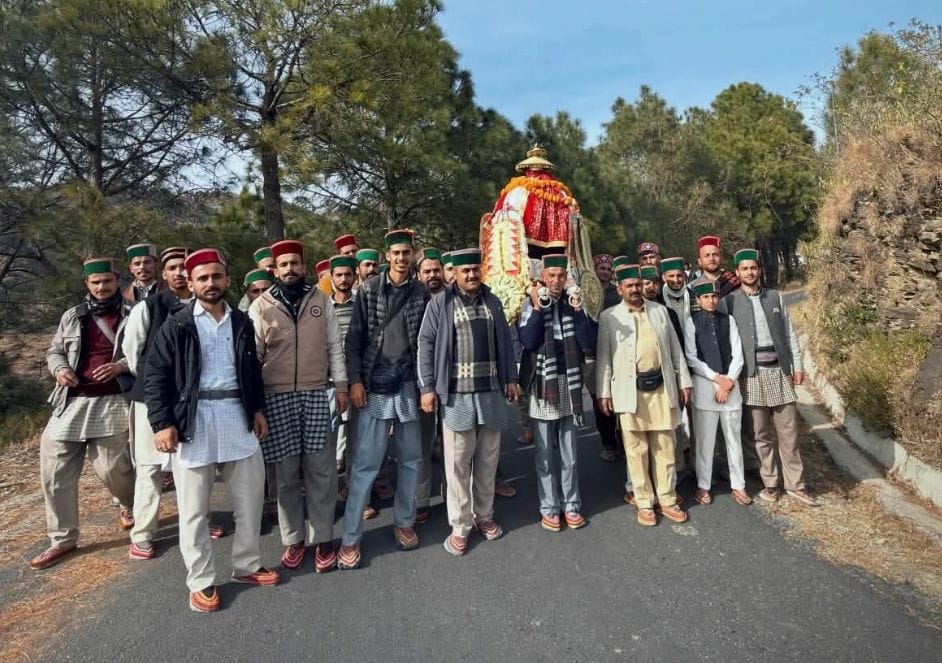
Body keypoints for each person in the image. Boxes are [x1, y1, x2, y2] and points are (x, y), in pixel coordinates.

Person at [145, 248, 279, 612]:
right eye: (202, 278)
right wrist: (162, 422)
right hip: (194, 421)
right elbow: (155, 376)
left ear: (227, 279)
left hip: (237, 417)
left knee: (250, 499)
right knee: (193, 510)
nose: (210, 283)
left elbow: (251, 371)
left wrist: (257, 409)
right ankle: (202, 580)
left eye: (216, 276)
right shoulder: (177, 323)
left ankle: (247, 565)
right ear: (190, 282)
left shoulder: (240, 320)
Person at [30, 258, 136, 570]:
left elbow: (149, 352)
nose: (102, 287)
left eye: (107, 281)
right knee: (54, 474)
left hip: (114, 401)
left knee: (112, 471)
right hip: (71, 402)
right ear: (87, 285)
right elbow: (55, 351)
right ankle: (62, 539)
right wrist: (60, 369)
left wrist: (121, 366)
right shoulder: (73, 316)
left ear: (117, 281)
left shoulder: (134, 314)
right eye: (95, 283)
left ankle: (131, 505)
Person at [249, 240, 347, 574]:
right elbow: (253, 357)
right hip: (276, 398)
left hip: (316, 393)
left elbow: (334, 345)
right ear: (274, 270)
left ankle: (322, 540)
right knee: (286, 475)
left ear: (303, 267)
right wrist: (256, 403)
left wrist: (342, 385)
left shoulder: (321, 300)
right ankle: (293, 541)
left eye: (295, 263)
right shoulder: (261, 306)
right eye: (283, 264)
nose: (289, 269)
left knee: (321, 470)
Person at [417, 248, 519, 555]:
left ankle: (484, 517)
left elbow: (506, 341)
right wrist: (427, 388)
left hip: (490, 392)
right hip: (456, 395)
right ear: (454, 274)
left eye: (475, 269)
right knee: (458, 463)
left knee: (487, 460)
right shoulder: (440, 303)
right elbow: (425, 343)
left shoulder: (493, 302)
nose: (471, 275)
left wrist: (511, 378)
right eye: (465, 271)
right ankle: (460, 525)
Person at [338, 229, 430, 569]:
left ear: (413, 255)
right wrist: (356, 381)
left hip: (407, 382)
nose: (402, 259)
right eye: (396, 253)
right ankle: (350, 537)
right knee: (365, 465)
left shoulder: (421, 293)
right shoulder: (368, 290)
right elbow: (355, 340)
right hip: (374, 385)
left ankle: (404, 522)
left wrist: (426, 385)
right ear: (387, 256)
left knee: (411, 459)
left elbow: (426, 342)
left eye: (407, 253)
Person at [596, 264, 692, 527]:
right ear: (620, 289)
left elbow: (675, 351)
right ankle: (644, 501)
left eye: (638, 285)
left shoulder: (661, 312)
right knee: (636, 450)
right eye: (630, 286)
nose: (636, 289)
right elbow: (604, 359)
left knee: (664, 445)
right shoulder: (609, 317)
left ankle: (668, 498)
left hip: (662, 388)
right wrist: (604, 392)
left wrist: (684, 382)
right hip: (629, 391)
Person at [720, 249, 818, 506]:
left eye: (754, 268)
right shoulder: (729, 302)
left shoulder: (775, 297)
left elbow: (789, 333)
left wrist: (797, 366)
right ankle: (771, 484)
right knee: (761, 434)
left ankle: (796, 485)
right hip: (751, 377)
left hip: (779, 372)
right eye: (745, 269)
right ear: (737, 273)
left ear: (759, 270)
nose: (750, 273)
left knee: (788, 432)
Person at [121, 247, 192, 560]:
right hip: (152, 399)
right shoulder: (149, 307)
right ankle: (143, 533)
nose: (180, 273)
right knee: (150, 467)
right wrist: (157, 385)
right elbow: (133, 353)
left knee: (191, 465)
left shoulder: (210, 306)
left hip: (192, 399)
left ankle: (197, 522)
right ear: (164, 275)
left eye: (184, 267)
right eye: (173, 268)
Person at [518, 254, 595, 532]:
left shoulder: (573, 302)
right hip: (543, 384)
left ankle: (572, 504)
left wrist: (577, 309)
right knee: (544, 453)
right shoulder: (532, 302)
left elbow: (588, 342)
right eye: (551, 275)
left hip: (569, 383)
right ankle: (549, 506)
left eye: (561, 276)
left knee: (569, 451)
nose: (556, 281)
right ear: (543, 277)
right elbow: (527, 341)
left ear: (567, 277)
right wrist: (538, 309)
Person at [684, 279, 751, 507]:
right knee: (705, 442)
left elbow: (738, 354)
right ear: (698, 300)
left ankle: (738, 485)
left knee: (734, 439)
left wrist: (729, 381)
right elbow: (692, 358)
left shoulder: (728, 320)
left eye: (713, 296)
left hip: (730, 389)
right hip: (705, 390)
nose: (710, 300)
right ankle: (704, 485)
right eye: (705, 297)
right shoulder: (692, 322)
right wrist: (717, 379)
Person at [592, 253, 620, 462]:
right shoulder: (585, 291)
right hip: (592, 353)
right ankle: (607, 443)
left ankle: (623, 440)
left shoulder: (617, 293)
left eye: (608, 270)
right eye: (601, 268)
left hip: (616, 351)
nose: (604, 272)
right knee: (599, 400)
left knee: (619, 399)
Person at [693, 236, 739, 308]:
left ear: (721, 258)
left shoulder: (736, 281)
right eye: (707, 255)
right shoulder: (693, 288)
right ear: (699, 261)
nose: (711, 259)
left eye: (715, 255)